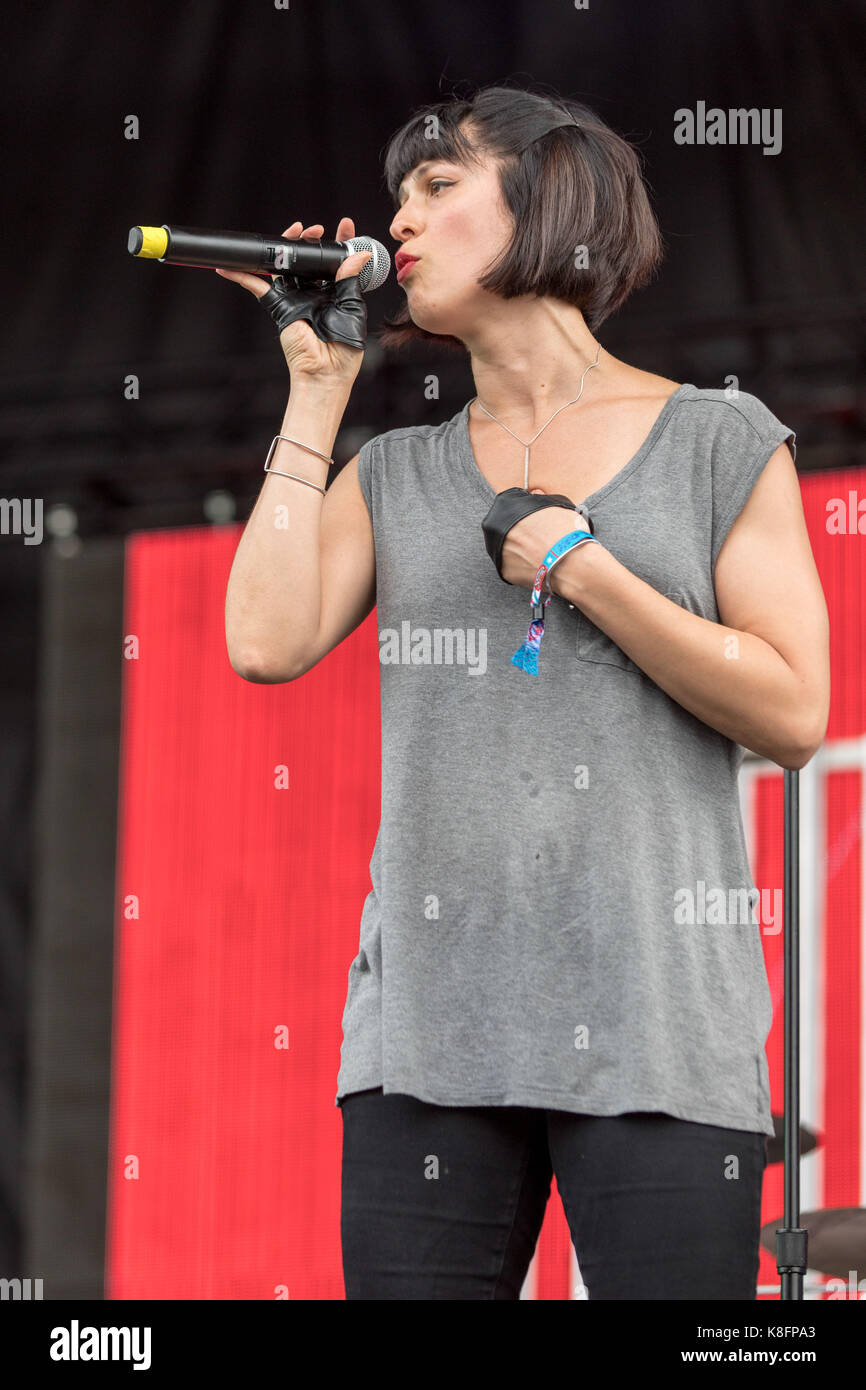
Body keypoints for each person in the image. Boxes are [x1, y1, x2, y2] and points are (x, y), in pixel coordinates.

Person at [222, 84, 830, 1300]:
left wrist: (584, 569)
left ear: (549, 199)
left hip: (661, 1033)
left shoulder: (716, 438)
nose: (399, 221)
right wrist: (314, 390)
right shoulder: (397, 471)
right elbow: (264, 641)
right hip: (425, 1041)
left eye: (438, 187)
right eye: (397, 196)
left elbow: (792, 710)